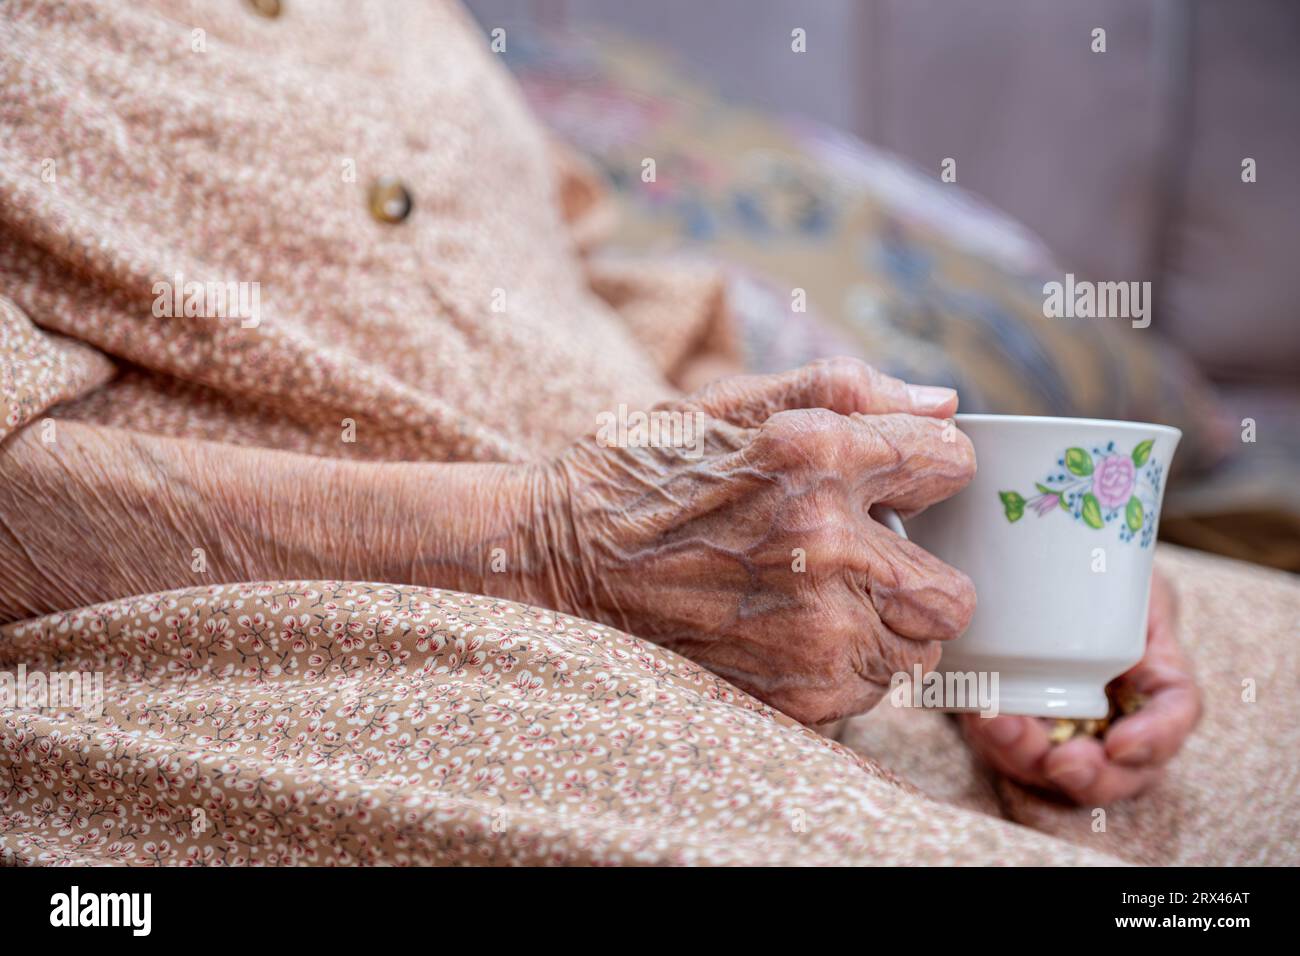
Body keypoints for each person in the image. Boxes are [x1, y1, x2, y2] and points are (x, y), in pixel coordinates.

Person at [0, 0, 1281, 868]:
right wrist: (558, 545)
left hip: (726, 617)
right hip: (330, 653)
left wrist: (968, 558)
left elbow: (620, 281)